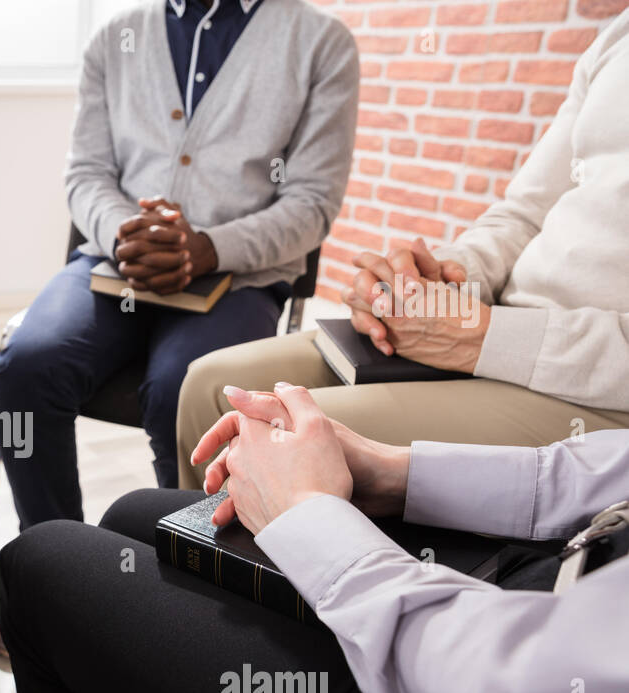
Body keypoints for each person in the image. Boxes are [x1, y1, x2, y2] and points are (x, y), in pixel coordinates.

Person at [0, 381, 628, 693]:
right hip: (563, 582)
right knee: (139, 517)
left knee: (40, 560)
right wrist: (394, 471)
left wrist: (309, 515)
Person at [177, 8, 629, 490]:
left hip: (592, 391)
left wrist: (484, 341)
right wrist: (439, 280)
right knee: (209, 385)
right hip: (496, 324)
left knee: (271, 433)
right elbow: (523, 213)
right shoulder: (616, 36)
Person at [0, 0, 359, 529]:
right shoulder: (114, 37)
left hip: (241, 280)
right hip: (116, 264)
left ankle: (180, 577)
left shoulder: (321, 43)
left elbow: (312, 203)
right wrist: (127, 235)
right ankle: (50, 562)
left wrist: (209, 247)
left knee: (185, 389)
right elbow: (87, 174)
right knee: (26, 366)